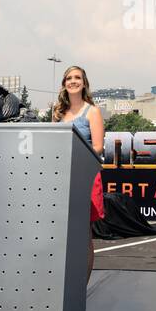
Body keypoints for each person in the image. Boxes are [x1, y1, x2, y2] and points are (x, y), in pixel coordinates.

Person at [51, 66, 105, 275]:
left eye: (77, 78)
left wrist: (75, 153)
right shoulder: (57, 112)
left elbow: (99, 147)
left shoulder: (92, 111)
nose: (73, 81)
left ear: (84, 83)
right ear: (64, 83)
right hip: (61, 177)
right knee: (61, 233)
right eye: (69, 78)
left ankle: (81, 288)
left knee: (83, 235)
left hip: (85, 177)